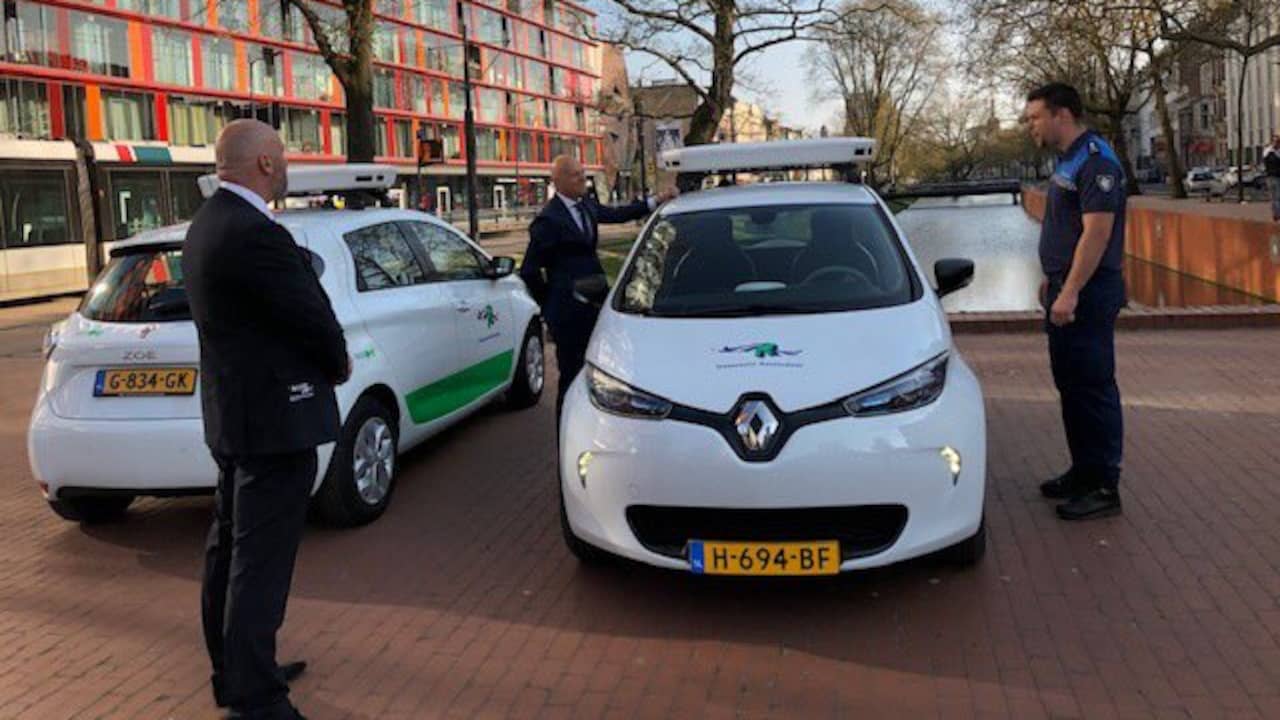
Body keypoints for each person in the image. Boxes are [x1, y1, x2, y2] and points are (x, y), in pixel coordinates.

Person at [183, 119, 350, 719]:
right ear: (263, 166)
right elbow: (310, 315)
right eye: (281, 159)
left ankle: (237, 670)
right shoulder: (255, 232)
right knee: (259, 563)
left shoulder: (206, 226)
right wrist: (338, 363)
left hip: (234, 418)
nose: (286, 169)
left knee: (228, 550)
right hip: (275, 424)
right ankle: (256, 699)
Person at [1022, 82, 1127, 521]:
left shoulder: (1096, 160)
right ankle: (1083, 470)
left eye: (1034, 117)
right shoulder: (1069, 159)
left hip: (1086, 292)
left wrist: (1070, 291)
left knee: (1093, 385)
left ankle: (1104, 485)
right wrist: (1054, 279)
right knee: (1071, 385)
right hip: (1066, 287)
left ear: (1061, 114)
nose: (1031, 126)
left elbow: (1097, 233)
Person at [519, 155, 676, 417]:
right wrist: (551, 307)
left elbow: (617, 214)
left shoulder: (586, 206)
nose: (582, 178)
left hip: (596, 306)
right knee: (571, 377)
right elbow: (529, 271)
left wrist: (654, 202)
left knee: (602, 371)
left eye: (582, 173)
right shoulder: (548, 220)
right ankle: (567, 432)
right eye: (575, 175)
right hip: (568, 315)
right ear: (558, 182)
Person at [1263, 134, 1280, 222]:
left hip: (1274, 177)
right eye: (1275, 142)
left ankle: (1276, 214)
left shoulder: (1268, 152)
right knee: (1275, 197)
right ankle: (1276, 214)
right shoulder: (1270, 152)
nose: (1276, 143)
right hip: (1272, 177)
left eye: (1277, 142)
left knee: (1275, 197)